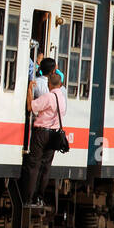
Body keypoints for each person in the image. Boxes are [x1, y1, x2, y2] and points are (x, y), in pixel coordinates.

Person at [21, 70, 67, 208]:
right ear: (61, 84)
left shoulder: (48, 97)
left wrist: (29, 90)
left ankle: (27, 198)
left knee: (33, 165)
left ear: (48, 84)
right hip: (55, 135)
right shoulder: (62, 98)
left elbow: (31, 106)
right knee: (45, 167)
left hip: (42, 133)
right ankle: (39, 197)